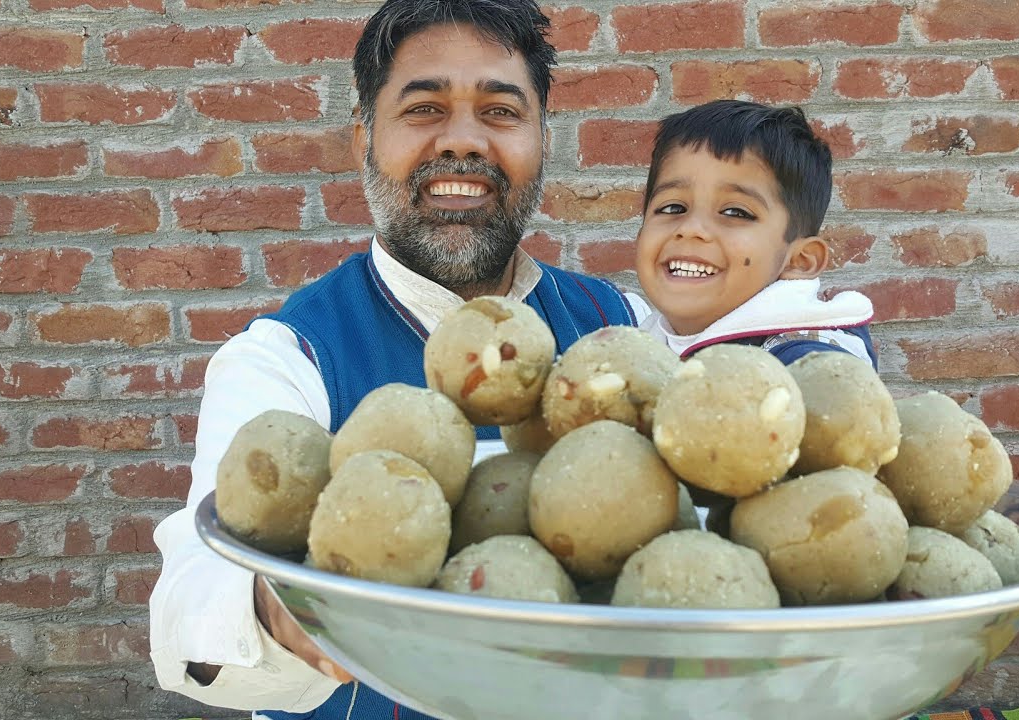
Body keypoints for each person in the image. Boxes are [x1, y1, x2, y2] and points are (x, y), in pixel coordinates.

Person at [148, 1, 648, 717]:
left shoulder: (621, 327)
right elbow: (189, 609)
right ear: (363, 138)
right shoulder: (288, 357)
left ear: (543, 139)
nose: (464, 142)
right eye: (424, 108)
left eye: (502, 113)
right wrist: (278, 610)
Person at [633, 100, 877, 368]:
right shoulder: (640, 340)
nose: (690, 228)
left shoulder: (804, 358)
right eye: (672, 207)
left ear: (801, 260)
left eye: (735, 212)